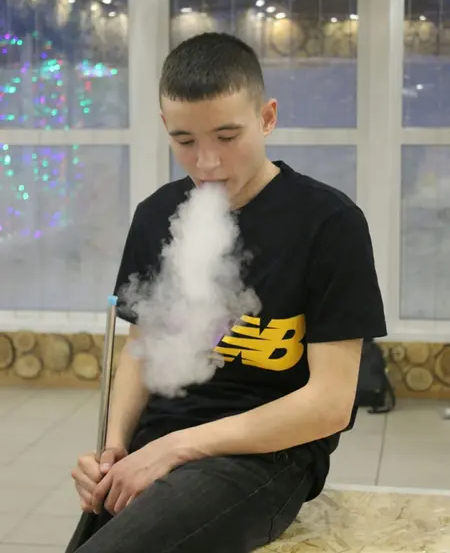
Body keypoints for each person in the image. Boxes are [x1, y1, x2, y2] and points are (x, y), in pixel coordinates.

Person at [71, 32, 387, 552]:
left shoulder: (329, 223)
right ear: (165, 128)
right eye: (185, 141)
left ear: (267, 117)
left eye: (227, 136)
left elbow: (331, 403)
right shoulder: (157, 215)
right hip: (158, 444)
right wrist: (113, 447)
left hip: (265, 457)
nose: (208, 163)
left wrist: (178, 447)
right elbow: (140, 350)